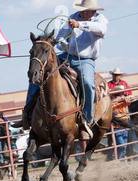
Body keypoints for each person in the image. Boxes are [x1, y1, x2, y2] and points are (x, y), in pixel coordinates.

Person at [14, 0, 108, 141]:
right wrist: (59, 42)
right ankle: (28, 114)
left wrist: (79, 25)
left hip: (85, 60)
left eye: (86, 10)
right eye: (82, 10)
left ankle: (86, 121)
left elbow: (100, 29)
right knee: (38, 74)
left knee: (87, 83)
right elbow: (61, 35)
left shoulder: (100, 20)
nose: (82, 12)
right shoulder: (73, 17)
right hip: (66, 56)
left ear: (93, 11)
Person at [106, 68, 132, 161]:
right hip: (116, 123)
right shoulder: (109, 85)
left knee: (122, 145)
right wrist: (119, 98)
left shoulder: (124, 84)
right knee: (121, 145)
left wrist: (124, 97)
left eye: (117, 75)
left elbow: (130, 95)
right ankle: (117, 160)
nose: (116, 76)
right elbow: (106, 98)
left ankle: (118, 160)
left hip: (123, 122)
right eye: (114, 75)